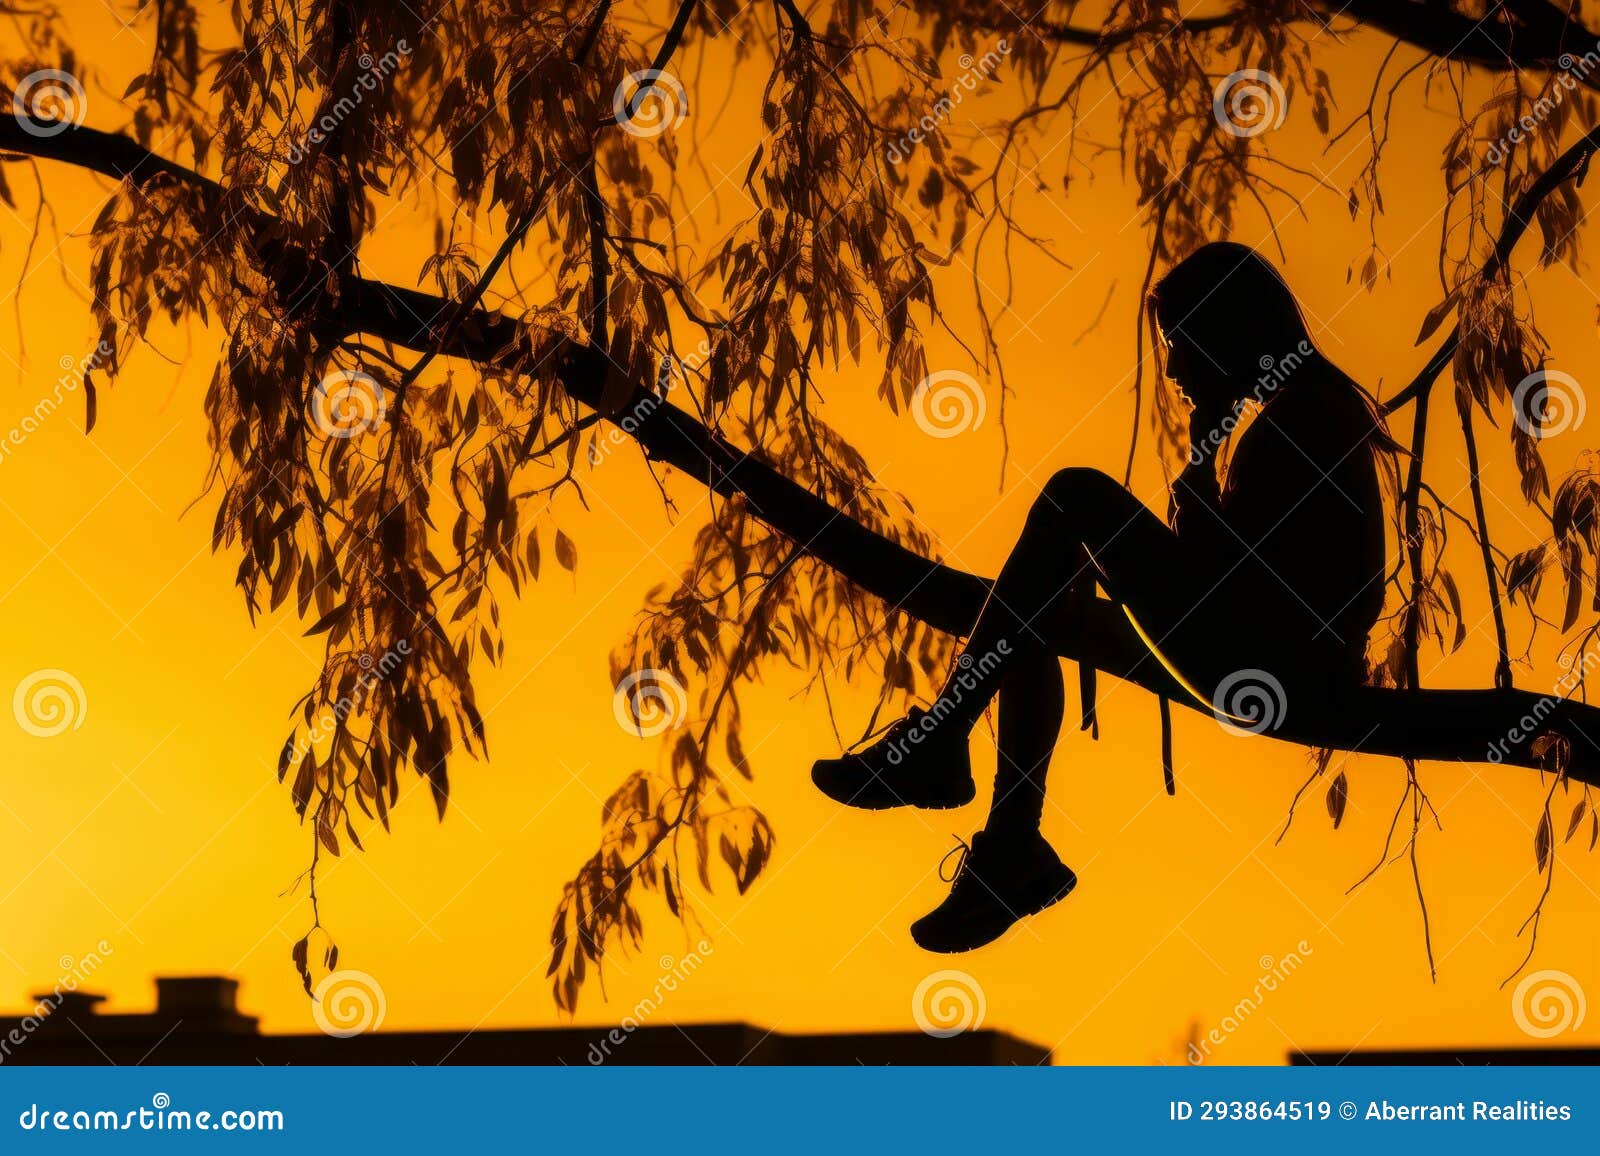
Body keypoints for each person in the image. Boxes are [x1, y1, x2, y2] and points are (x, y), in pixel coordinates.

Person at [811, 241, 1395, 953]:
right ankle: (1009, 844)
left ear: (1230, 334)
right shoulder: (1304, 413)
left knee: (1075, 496)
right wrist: (1204, 460)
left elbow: (1240, 580)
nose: (1174, 369)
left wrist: (1202, 470)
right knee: (1029, 615)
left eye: (1182, 345)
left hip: (1273, 665)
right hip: (1270, 656)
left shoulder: (1301, 420)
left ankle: (947, 749)